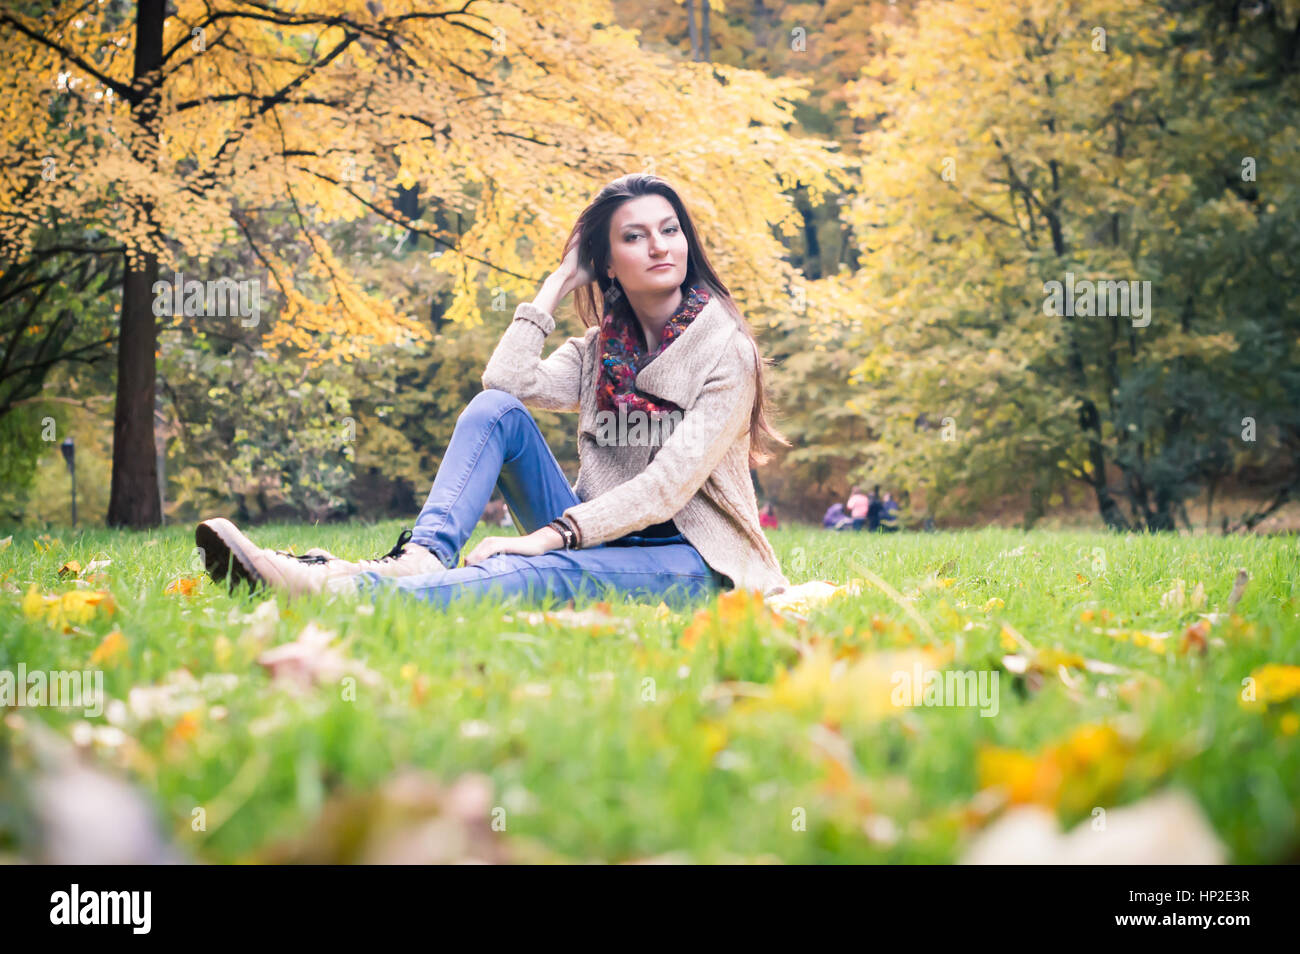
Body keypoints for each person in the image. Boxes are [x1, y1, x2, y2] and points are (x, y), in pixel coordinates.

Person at [195, 173, 791, 609]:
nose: (660, 246)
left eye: (669, 230)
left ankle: (341, 591)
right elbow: (503, 384)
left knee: (537, 570)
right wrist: (555, 285)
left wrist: (547, 536)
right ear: (606, 263)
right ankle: (424, 556)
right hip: (599, 528)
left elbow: (667, 488)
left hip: (698, 560)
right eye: (634, 237)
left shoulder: (725, 351)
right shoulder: (598, 351)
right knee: (496, 413)